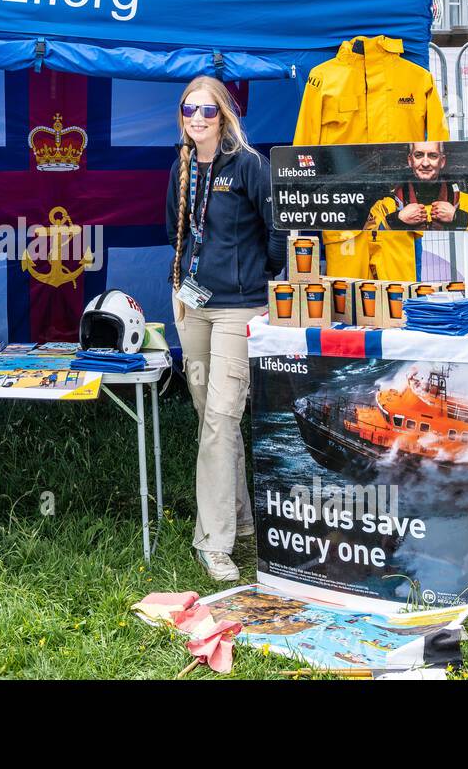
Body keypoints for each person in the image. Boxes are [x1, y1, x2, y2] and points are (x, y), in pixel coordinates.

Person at [166, 76, 286, 582]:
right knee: (211, 417)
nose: (197, 118)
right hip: (192, 303)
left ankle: (212, 542)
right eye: (189, 109)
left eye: (207, 111)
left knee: (220, 417)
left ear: (225, 115)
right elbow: (172, 225)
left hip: (239, 308)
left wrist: (260, 277)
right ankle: (238, 520)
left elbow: (277, 229)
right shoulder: (182, 166)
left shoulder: (252, 165)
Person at [365, 142, 468, 232]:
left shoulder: (467, 203)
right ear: (410, 160)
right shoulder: (387, 206)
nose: (425, 163)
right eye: (419, 155)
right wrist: (395, 220)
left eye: (433, 156)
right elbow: (367, 245)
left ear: (442, 161)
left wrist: (459, 217)